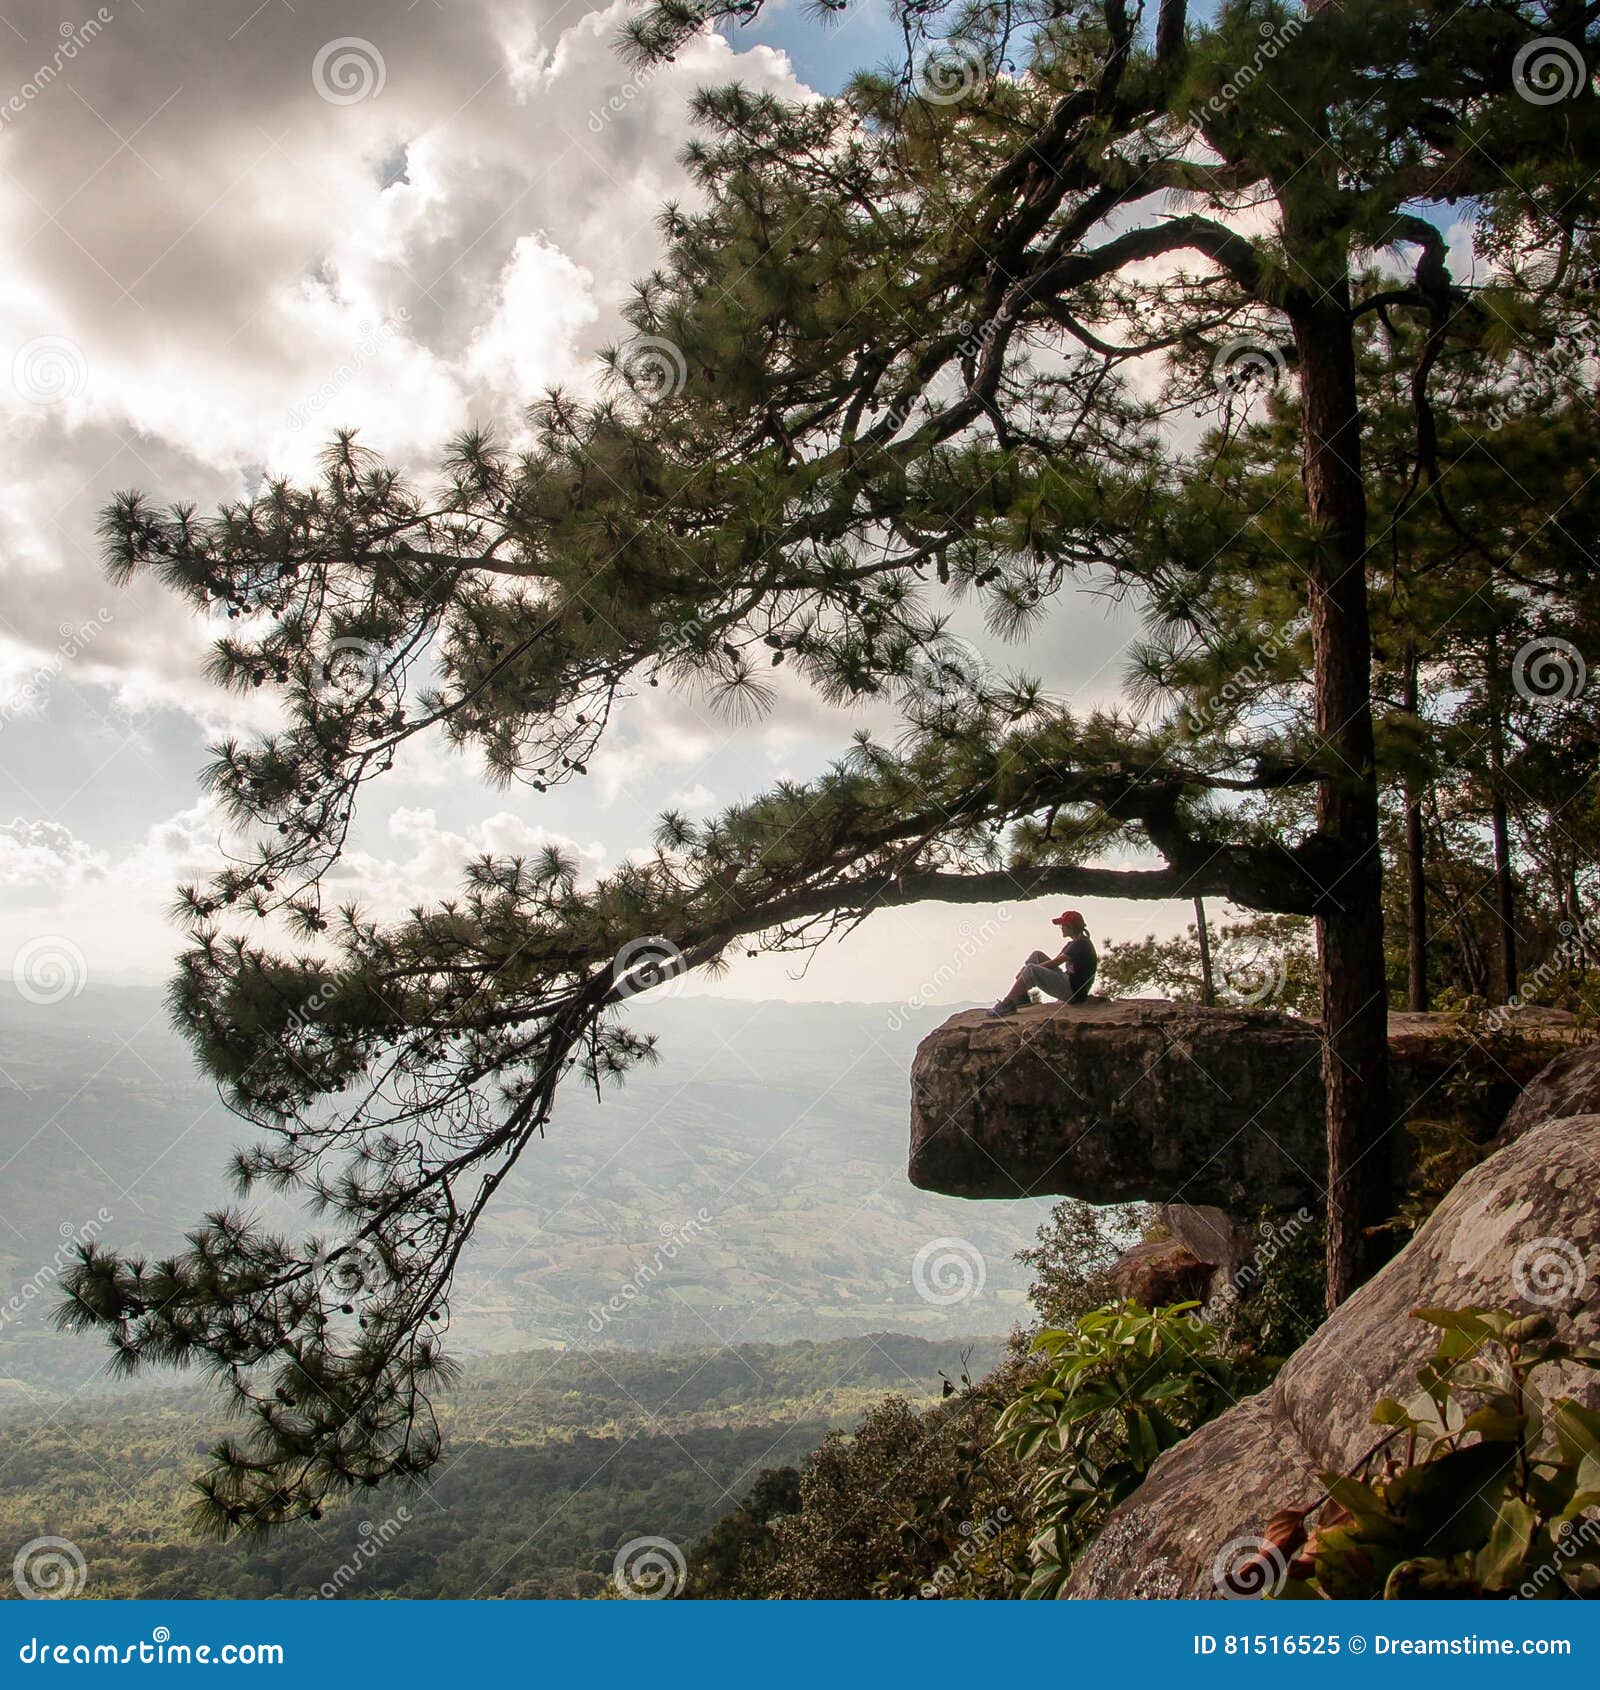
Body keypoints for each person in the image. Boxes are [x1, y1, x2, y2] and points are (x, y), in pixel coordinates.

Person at [988, 910, 1098, 1017]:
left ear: (1070, 926)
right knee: (1037, 955)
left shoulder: (1081, 944)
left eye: (1062, 926)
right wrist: (1027, 971)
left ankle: (1007, 1004)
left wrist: (1027, 972)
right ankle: (1021, 998)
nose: (1061, 928)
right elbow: (1054, 962)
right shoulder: (1075, 942)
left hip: (1074, 993)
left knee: (1031, 969)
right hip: (1069, 983)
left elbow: (1055, 962)